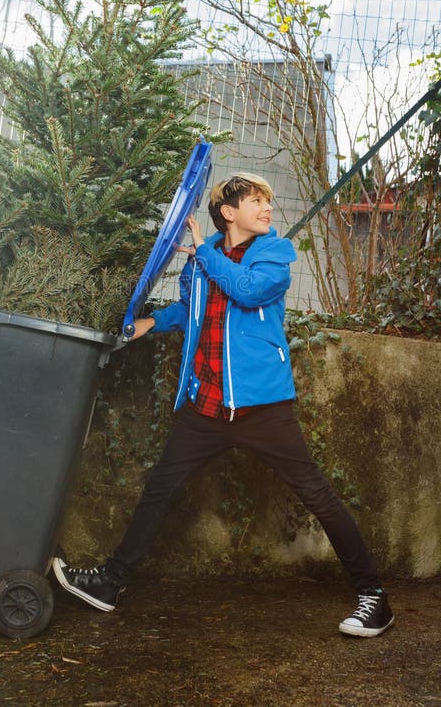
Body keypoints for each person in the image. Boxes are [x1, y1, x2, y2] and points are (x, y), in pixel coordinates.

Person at [53, 173, 394, 638]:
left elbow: (248, 290)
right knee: (160, 489)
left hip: (263, 408)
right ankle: (111, 582)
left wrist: (205, 253)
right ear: (228, 212)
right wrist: (150, 322)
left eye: (267, 201)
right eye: (256, 201)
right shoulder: (202, 262)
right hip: (207, 407)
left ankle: (374, 596)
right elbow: (191, 309)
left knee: (318, 496)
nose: (267, 208)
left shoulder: (274, 255)